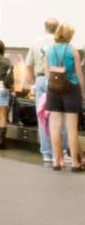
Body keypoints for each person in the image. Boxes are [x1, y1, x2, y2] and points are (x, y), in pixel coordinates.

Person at [26, 18, 69, 166]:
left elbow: (29, 66)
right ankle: (62, 152)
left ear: (45, 27)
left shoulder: (35, 42)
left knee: (42, 118)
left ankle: (46, 153)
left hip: (40, 81)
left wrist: (33, 83)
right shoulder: (60, 43)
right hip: (57, 80)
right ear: (57, 29)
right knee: (59, 118)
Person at [45, 24, 84, 172]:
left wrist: (54, 85)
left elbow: (47, 73)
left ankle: (56, 161)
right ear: (69, 35)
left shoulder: (49, 50)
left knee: (55, 127)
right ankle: (74, 163)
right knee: (71, 129)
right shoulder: (73, 50)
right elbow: (79, 74)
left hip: (53, 90)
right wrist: (83, 92)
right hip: (71, 89)